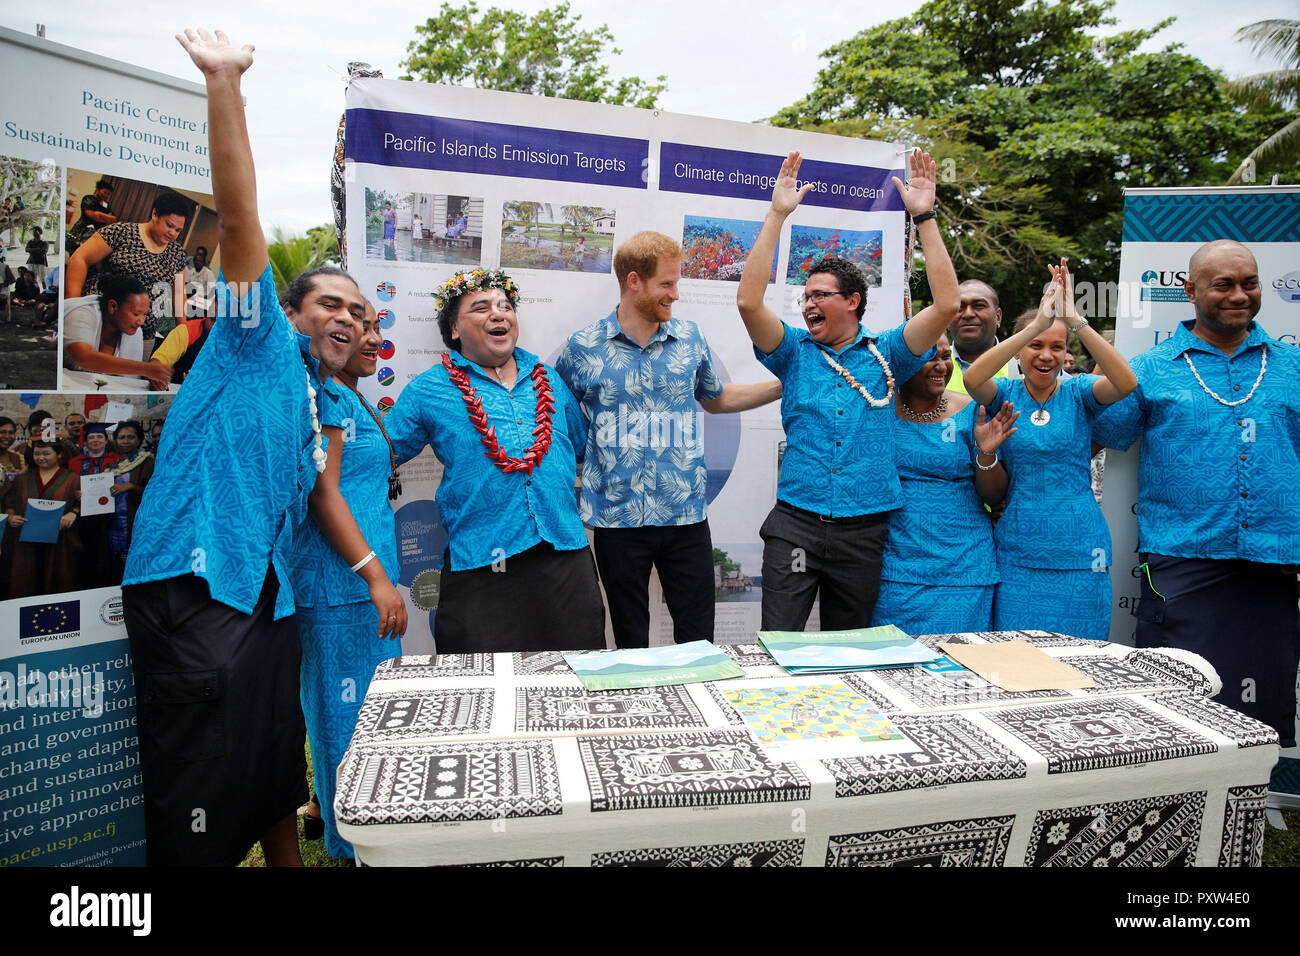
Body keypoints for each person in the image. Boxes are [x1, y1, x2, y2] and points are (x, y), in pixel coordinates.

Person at [121, 27, 365, 868]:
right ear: (289, 311)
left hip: (267, 601)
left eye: (359, 312)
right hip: (192, 586)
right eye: (329, 303)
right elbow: (239, 213)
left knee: (269, 767)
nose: (346, 317)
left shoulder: (319, 402)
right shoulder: (251, 341)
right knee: (197, 797)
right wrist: (226, 83)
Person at [735, 149, 959, 631]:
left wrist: (924, 217)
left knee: (849, 650)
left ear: (853, 301)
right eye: (805, 296)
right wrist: (777, 214)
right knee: (778, 641)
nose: (808, 302)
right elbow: (748, 300)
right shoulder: (792, 351)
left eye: (820, 294)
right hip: (796, 526)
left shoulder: (891, 354)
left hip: (864, 532)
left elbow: (947, 305)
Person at [1093, 239, 1300, 747]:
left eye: (1249, 283)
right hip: (1182, 555)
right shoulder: (1149, 368)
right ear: (1190, 291)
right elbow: (1105, 433)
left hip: (1275, 554)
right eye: (1223, 284)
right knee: (1179, 689)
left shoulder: (1292, 366)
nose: (1239, 295)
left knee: (1264, 681)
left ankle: (1256, 792)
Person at [556, 230, 781, 648]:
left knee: (699, 641)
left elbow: (716, 399)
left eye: (677, 283)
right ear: (634, 281)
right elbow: (564, 425)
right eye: (667, 283)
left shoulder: (690, 339)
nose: (675, 294)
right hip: (616, 520)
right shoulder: (582, 348)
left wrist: (781, 386)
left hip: (686, 519)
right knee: (629, 640)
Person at [384, 268, 605, 652]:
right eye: (481, 307)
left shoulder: (548, 380)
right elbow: (380, 454)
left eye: (505, 306)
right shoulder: (427, 390)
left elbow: (582, 447)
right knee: (481, 684)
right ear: (454, 328)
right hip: (481, 562)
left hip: (564, 557)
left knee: (575, 676)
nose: (498, 313)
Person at [963, 261, 1137, 641]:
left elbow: (1125, 381)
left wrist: (1073, 318)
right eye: (1035, 346)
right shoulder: (1004, 395)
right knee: (1016, 654)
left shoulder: (1080, 393)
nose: (1046, 355)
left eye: (1057, 347)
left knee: (1081, 657)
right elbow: (973, 377)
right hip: (1018, 550)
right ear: (1019, 352)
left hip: (1080, 548)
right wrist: (1038, 324)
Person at [290, 301, 405, 859]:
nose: (370, 337)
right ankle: (352, 845)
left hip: (362, 590)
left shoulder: (348, 393)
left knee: (364, 718)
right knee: (347, 721)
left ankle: (331, 814)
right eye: (360, 326)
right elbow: (322, 492)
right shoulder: (323, 395)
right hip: (339, 586)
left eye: (377, 327)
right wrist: (376, 578)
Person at [871, 336, 1017, 634]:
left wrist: (986, 452)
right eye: (929, 357)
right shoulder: (877, 409)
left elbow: (993, 493)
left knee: (958, 667)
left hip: (962, 566)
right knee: (892, 669)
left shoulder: (972, 411)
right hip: (894, 565)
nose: (941, 366)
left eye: (946, 356)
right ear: (901, 362)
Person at [66, 188, 190, 352]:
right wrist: (72, 308)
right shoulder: (121, 233)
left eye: (178, 230)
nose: (173, 233)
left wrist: (184, 332)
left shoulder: (177, 254)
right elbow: (79, 259)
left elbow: (179, 294)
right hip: (101, 325)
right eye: (169, 225)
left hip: (143, 335)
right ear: (154, 214)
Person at [62, 274, 173, 390]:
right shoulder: (82, 313)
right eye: (135, 314)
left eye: (144, 314)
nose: (141, 321)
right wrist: (146, 369)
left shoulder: (135, 332)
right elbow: (82, 357)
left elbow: (129, 380)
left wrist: (156, 380)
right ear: (113, 306)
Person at [4, 440, 80, 599]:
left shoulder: (73, 479)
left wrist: (73, 512)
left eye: (46, 453)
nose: (41, 457)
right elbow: (8, 502)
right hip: (25, 541)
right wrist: (10, 516)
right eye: (37, 454)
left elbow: (83, 503)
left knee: (56, 582)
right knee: (25, 582)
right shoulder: (22, 479)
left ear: (59, 455)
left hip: (60, 540)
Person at [69, 423, 122, 590]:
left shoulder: (117, 460)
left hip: (111, 514)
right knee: (87, 553)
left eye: (100, 436)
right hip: (84, 514)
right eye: (91, 437)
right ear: (85, 442)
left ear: (106, 441)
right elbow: (69, 484)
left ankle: (110, 586)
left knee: (108, 552)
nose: (96, 440)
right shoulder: (75, 462)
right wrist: (75, 492)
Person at [947, 279, 1015, 394]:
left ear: (998, 317)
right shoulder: (931, 365)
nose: (968, 314)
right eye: (959, 308)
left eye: (979, 306)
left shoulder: (1022, 366)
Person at [105, 421, 153, 581]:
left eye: (130, 437)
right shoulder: (113, 466)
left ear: (139, 440)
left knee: (136, 564)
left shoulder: (147, 461)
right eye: (121, 437)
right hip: (114, 524)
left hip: (135, 521)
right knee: (116, 564)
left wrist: (132, 486)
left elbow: (156, 493)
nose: (125, 441)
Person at [150, 311, 215, 384]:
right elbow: (159, 361)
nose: (215, 327)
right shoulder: (186, 330)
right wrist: (157, 374)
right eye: (213, 319)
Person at [65, 179, 117, 254]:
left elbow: (113, 219)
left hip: (95, 234)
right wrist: (105, 217)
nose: (106, 195)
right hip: (80, 231)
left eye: (109, 194)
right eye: (105, 192)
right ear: (98, 190)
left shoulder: (107, 205)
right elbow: (90, 214)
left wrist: (99, 215)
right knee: (72, 253)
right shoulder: (88, 198)